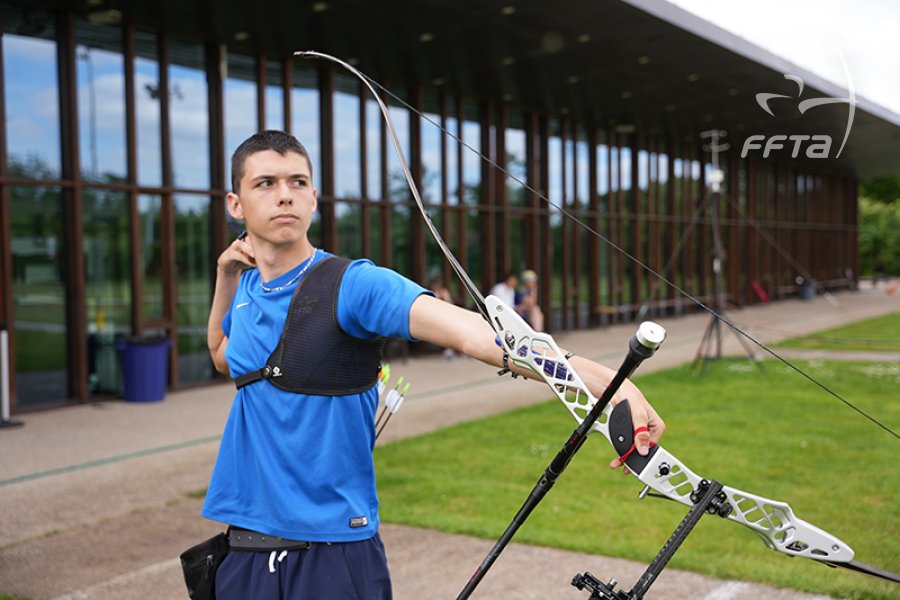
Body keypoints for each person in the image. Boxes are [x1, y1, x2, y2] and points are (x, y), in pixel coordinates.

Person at [204, 130, 665, 600]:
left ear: (314, 197)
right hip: (243, 552)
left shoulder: (355, 284)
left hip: (331, 554)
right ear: (235, 204)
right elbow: (223, 355)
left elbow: (479, 337)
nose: (285, 194)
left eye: (298, 182)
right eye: (265, 183)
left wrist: (610, 381)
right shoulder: (246, 289)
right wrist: (226, 274)